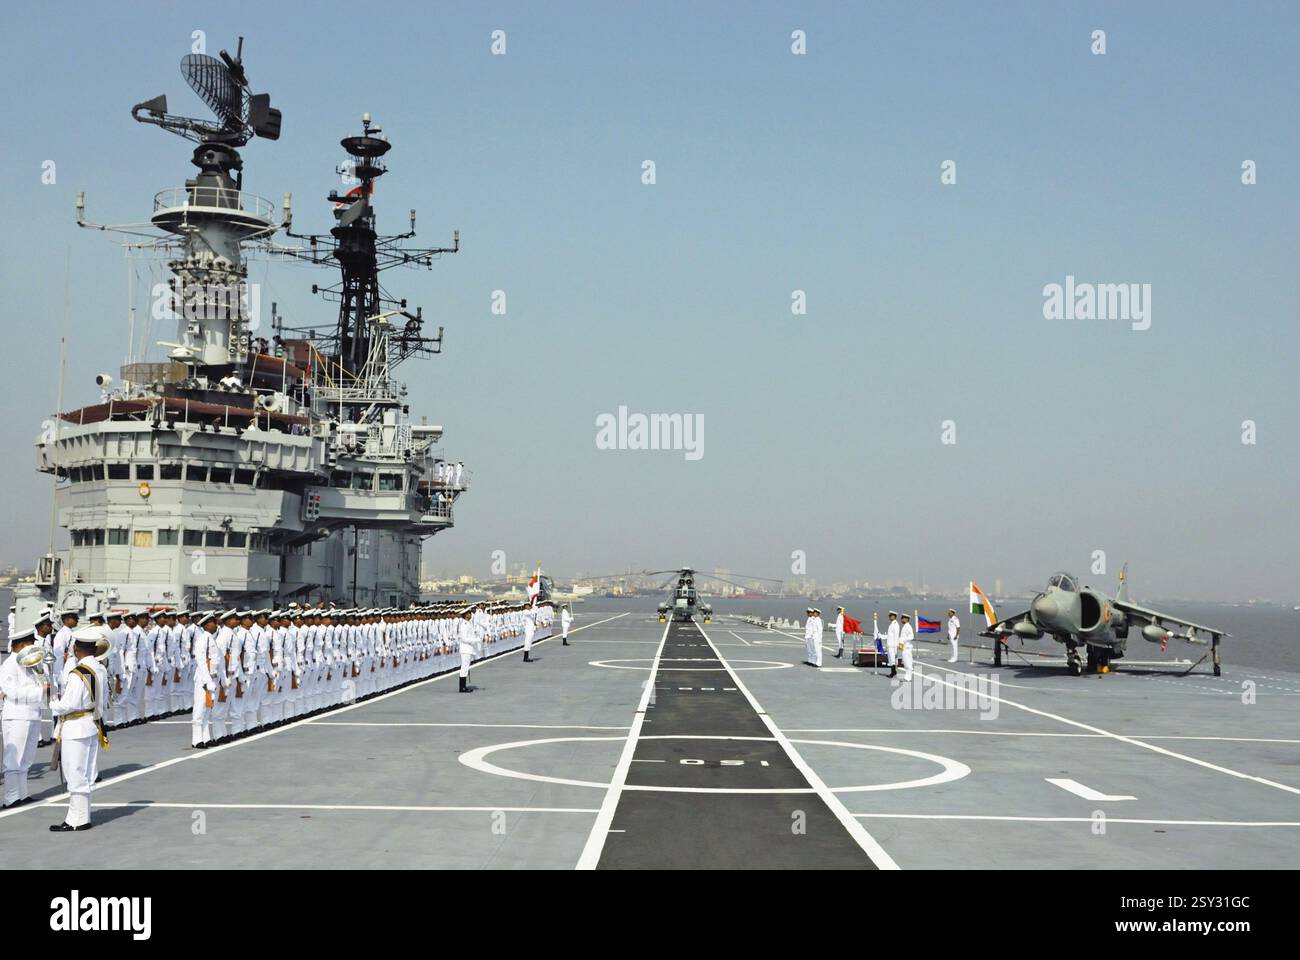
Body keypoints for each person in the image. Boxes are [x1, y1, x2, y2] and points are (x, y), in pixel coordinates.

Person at [49, 626, 110, 832]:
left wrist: (52, 702)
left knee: (74, 774)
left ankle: (79, 820)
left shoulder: (79, 673)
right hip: (92, 725)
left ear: (76, 649)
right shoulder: (100, 669)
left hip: (75, 727)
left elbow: (69, 704)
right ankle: (79, 817)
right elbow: (104, 700)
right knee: (84, 773)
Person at [1, 628, 47, 808]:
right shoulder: (10, 665)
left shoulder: (29, 663)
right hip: (17, 715)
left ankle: (22, 794)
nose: (33, 647)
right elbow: (11, 692)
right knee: (14, 758)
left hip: (32, 714)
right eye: (30, 644)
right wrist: (39, 692)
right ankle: (11, 798)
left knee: (26, 757)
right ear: (20, 645)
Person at [457, 608, 478, 693]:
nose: (471, 614)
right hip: (465, 648)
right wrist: (476, 640)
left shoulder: (468, 623)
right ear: (466, 615)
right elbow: (464, 638)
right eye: (469, 613)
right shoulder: (464, 625)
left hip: (468, 648)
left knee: (466, 667)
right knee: (464, 668)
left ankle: (464, 686)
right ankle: (462, 688)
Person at [897, 614, 915, 682]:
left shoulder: (908, 626)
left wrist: (904, 640)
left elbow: (911, 636)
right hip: (904, 647)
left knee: (908, 663)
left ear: (907, 619)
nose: (902, 620)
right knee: (905, 662)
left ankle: (908, 678)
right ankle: (907, 677)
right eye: (902, 618)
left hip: (907, 647)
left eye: (903, 618)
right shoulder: (905, 626)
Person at [884, 612, 901, 678]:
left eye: (891, 616)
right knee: (890, 659)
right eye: (890, 616)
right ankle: (894, 672)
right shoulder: (892, 624)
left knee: (893, 660)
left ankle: (893, 672)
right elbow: (889, 635)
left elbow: (896, 636)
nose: (890, 617)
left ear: (894, 616)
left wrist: (895, 647)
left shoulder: (895, 624)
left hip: (892, 645)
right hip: (890, 645)